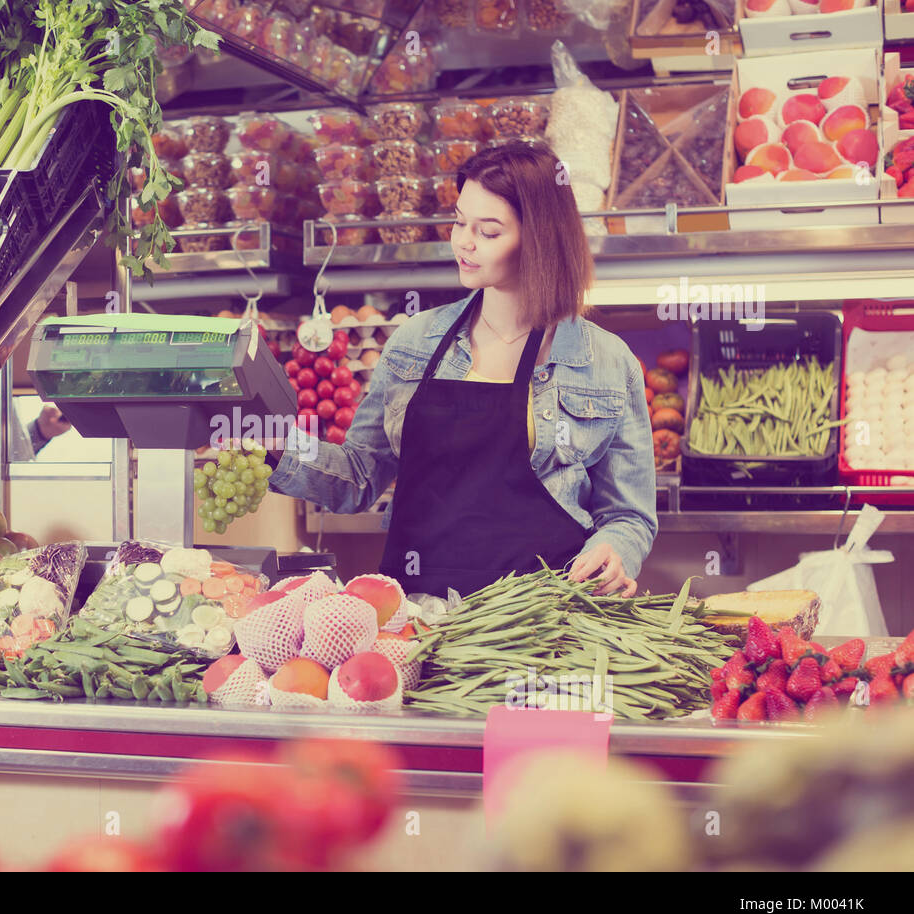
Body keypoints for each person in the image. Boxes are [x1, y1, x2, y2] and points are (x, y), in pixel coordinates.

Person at [267, 140, 656, 598]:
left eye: (488, 232)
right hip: (415, 619)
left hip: (544, 624)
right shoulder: (416, 341)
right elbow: (358, 475)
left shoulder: (606, 362)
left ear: (540, 238)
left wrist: (614, 550)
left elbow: (630, 516)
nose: (463, 243)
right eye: (458, 222)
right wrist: (274, 447)